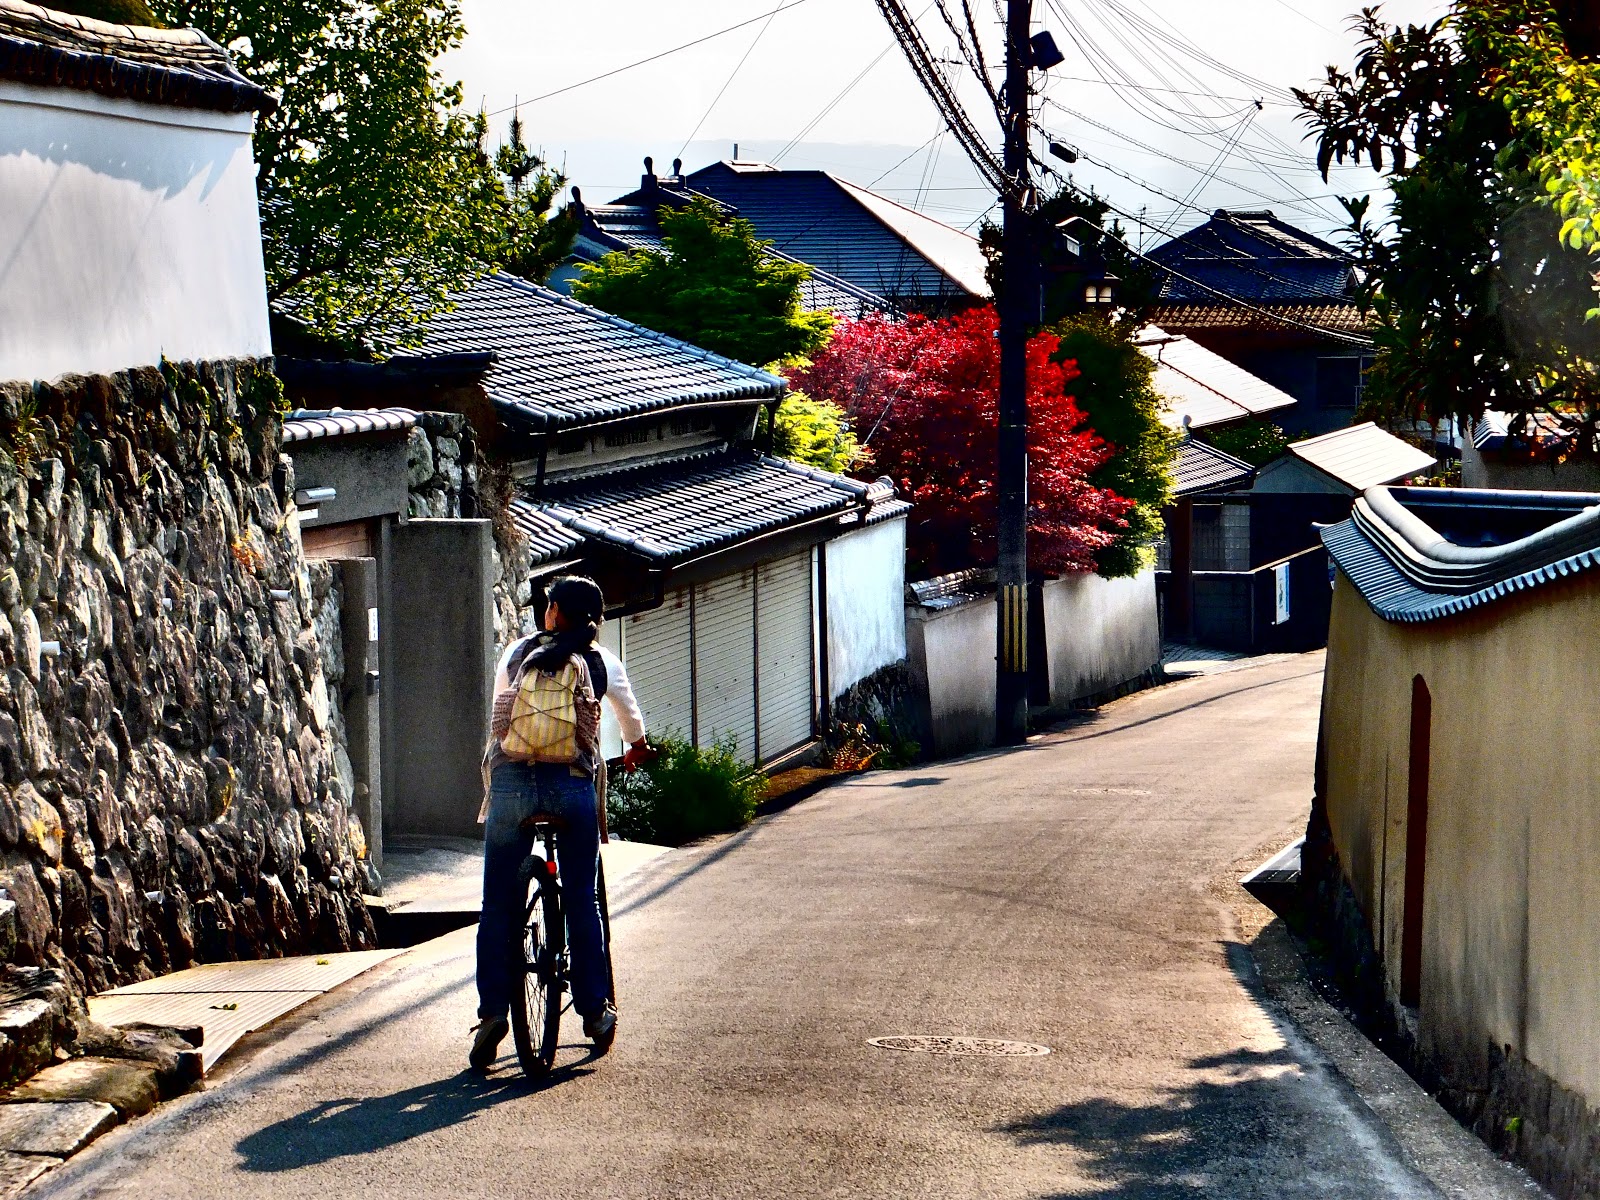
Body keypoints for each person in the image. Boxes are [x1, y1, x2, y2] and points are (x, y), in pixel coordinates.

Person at [471, 575, 650, 1070]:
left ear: (551, 613)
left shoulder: (515, 654)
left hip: (510, 788)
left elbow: (499, 718)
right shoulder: (599, 660)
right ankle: (594, 1012)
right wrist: (636, 747)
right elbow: (633, 722)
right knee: (581, 899)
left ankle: (491, 1015)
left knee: (497, 904)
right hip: (571, 788)